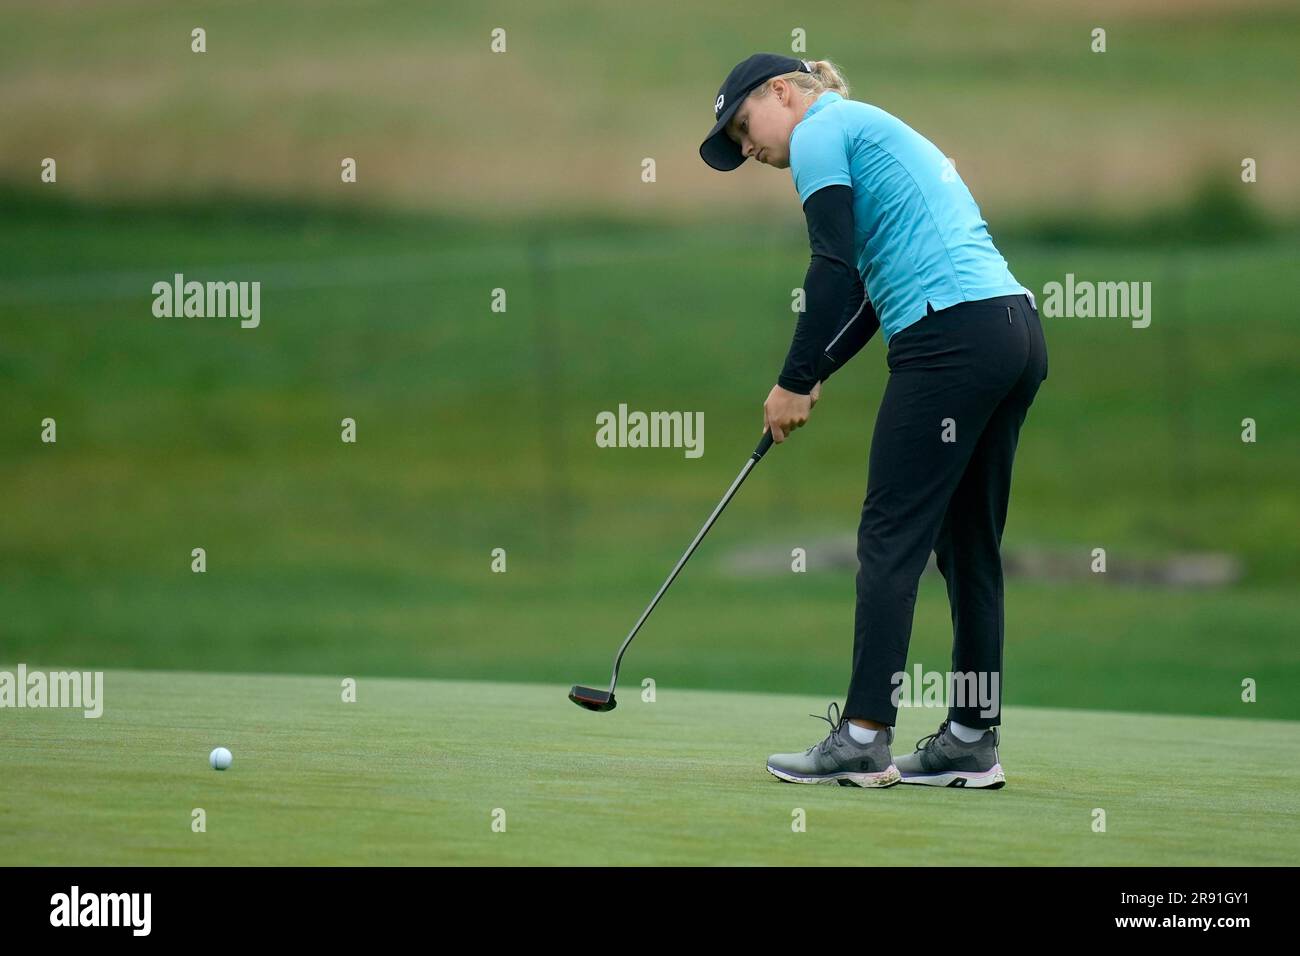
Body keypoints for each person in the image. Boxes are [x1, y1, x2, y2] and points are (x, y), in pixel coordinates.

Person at [699, 53, 1048, 790]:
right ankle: (969, 739)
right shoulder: (864, 127)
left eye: (743, 125)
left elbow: (828, 267)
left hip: (949, 337)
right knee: (969, 548)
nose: (747, 148)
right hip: (1011, 332)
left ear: (783, 93)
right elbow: (861, 288)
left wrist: (793, 379)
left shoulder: (822, 132)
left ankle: (863, 737)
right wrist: (815, 371)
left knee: (890, 540)